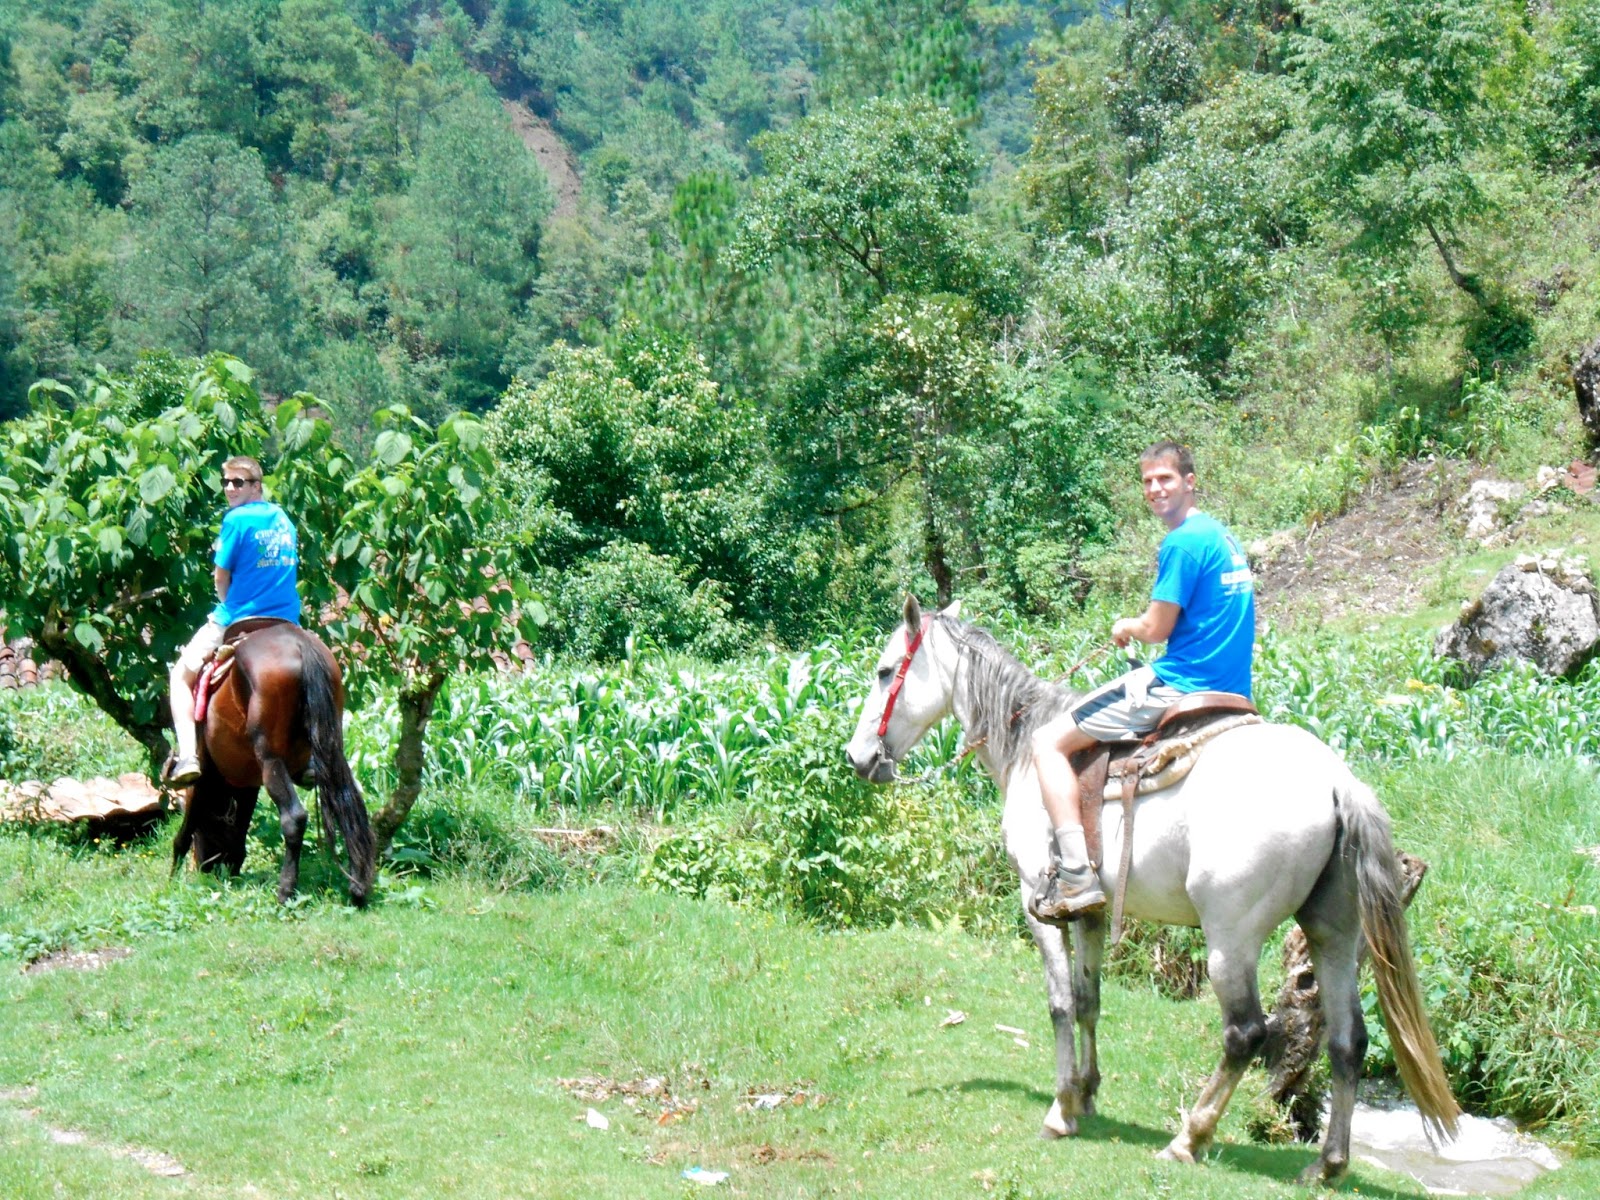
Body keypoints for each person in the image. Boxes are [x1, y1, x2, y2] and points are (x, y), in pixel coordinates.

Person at [1029, 441, 1256, 924]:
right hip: (1233, 684)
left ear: (1189, 481)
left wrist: (1127, 626)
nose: (1155, 489)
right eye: (1148, 482)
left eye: (1166, 479)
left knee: (1046, 742)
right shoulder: (1222, 536)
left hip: (1183, 681)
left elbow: (1157, 629)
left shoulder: (1181, 543)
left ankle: (1075, 873)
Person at [166, 456, 301, 786]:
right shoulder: (283, 518)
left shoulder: (236, 520)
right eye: (225, 482)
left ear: (257, 486)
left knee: (180, 678)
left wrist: (230, 609)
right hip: (286, 618)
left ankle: (187, 757)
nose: (229, 488)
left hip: (239, 617)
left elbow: (220, 578)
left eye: (238, 482)